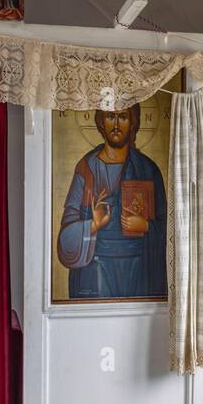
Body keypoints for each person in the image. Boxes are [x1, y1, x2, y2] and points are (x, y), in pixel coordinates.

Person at [57, 104, 167, 299]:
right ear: (101, 122)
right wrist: (93, 225)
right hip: (96, 269)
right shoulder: (86, 169)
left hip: (138, 269)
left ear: (132, 122)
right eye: (110, 117)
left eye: (123, 117)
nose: (116, 125)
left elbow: (170, 230)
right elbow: (65, 237)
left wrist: (147, 226)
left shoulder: (148, 170)